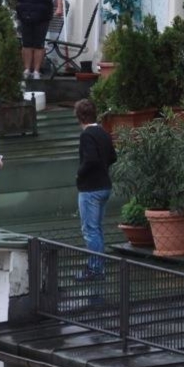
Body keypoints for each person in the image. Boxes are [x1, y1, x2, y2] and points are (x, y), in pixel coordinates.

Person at [74, 98, 116, 280]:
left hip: (90, 188)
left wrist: (79, 174)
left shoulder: (87, 135)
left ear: (79, 117)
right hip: (105, 185)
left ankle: (95, 269)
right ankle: (97, 266)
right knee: (97, 229)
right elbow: (113, 157)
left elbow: (90, 159)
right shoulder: (103, 133)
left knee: (90, 230)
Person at [3, 0, 65, 80]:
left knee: (39, 44)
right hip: (24, 12)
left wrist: (59, 7)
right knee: (26, 43)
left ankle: (36, 71)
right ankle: (27, 70)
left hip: (43, 13)